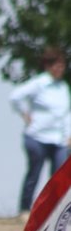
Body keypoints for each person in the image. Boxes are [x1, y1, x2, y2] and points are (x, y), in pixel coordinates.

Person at [9, 46, 71, 213]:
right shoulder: (39, 83)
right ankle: (24, 209)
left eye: (62, 65)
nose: (60, 69)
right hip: (37, 137)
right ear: (48, 66)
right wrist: (24, 113)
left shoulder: (63, 87)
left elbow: (66, 113)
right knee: (34, 173)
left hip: (58, 139)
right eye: (56, 65)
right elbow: (16, 96)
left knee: (59, 177)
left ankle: (53, 212)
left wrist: (69, 134)